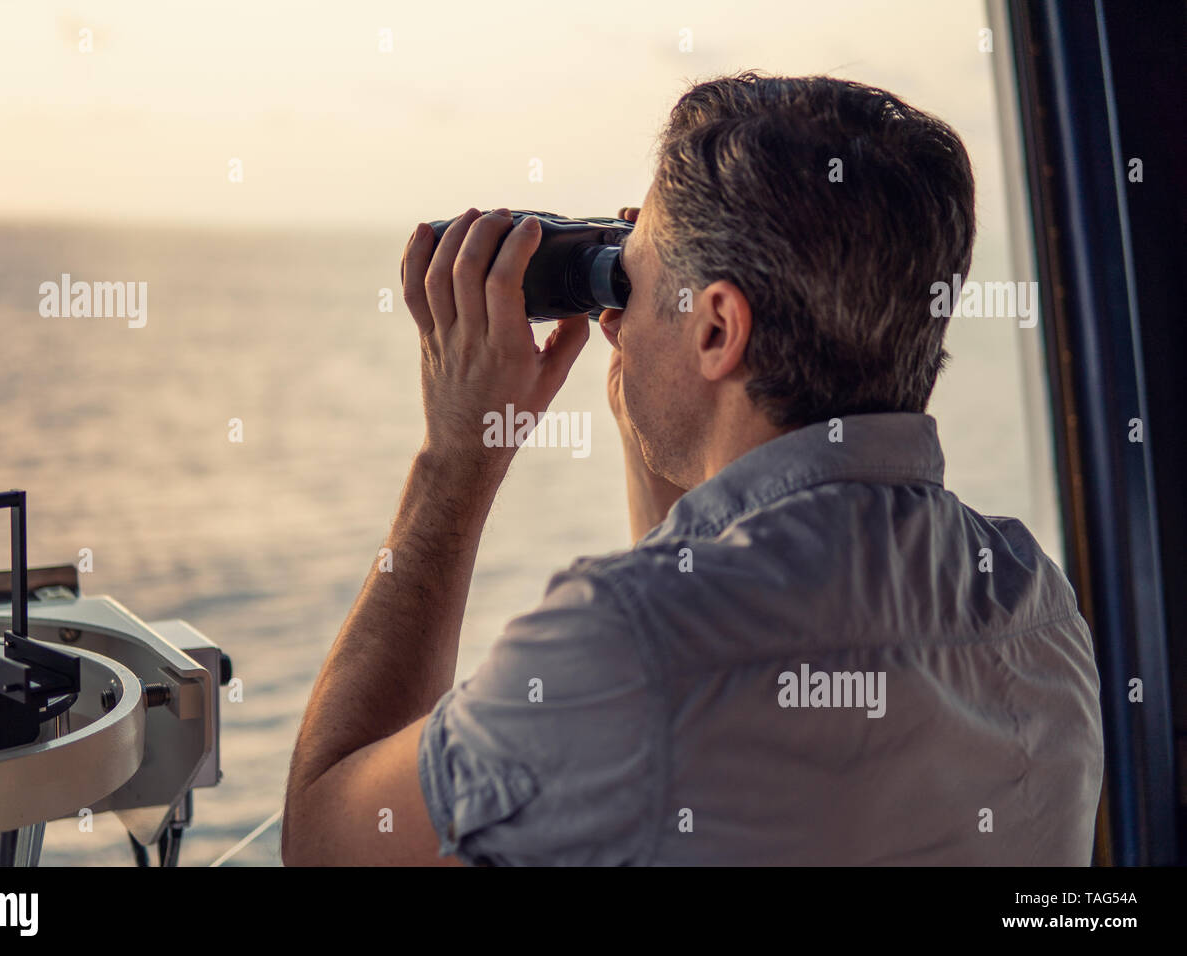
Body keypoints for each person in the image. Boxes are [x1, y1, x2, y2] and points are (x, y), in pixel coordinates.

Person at [281, 71, 1104, 866]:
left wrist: (457, 457)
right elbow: (707, 609)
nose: (620, 316)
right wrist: (653, 403)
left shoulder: (615, 647)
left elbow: (325, 841)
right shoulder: (1037, 607)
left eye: (634, 274)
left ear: (716, 329)